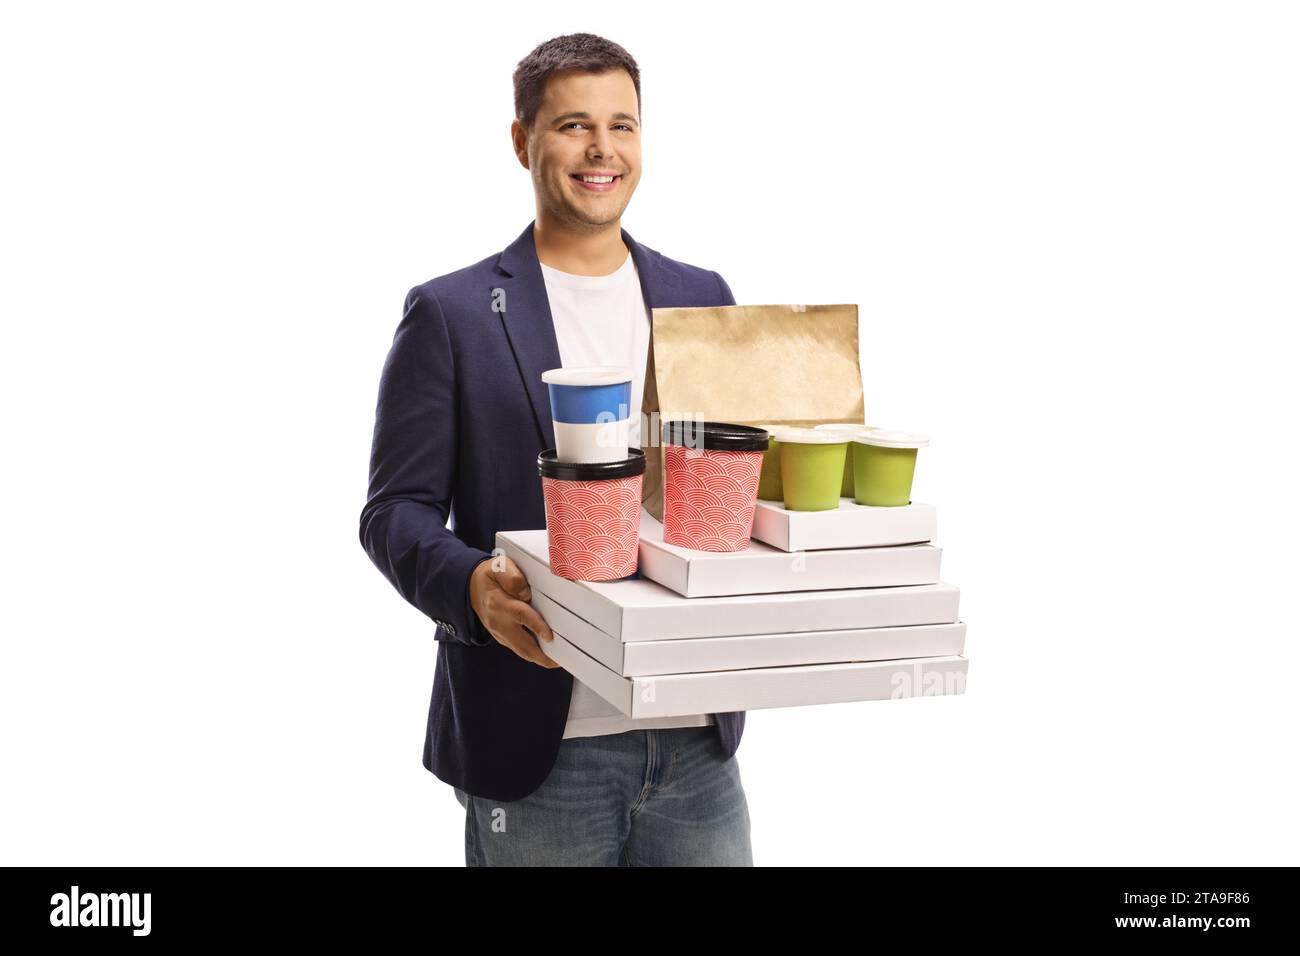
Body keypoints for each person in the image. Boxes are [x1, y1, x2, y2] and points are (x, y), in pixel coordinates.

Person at [359, 33, 751, 866]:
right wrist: (468, 584)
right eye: (574, 125)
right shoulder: (453, 312)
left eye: (623, 125)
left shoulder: (700, 298)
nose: (602, 149)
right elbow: (394, 512)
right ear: (522, 141)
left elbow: (732, 485)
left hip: (695, 741)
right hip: (539, 748)